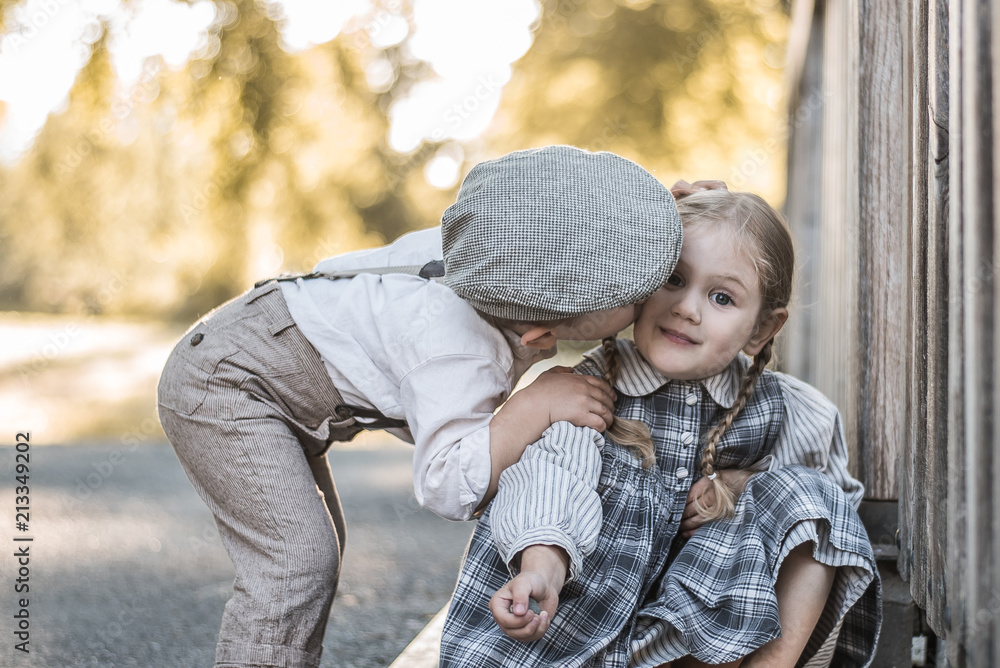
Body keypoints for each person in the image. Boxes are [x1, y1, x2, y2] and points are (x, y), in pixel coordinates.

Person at [156, 145, 684, 668]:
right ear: (542, 337)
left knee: (317, 550)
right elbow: (445, 481)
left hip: (255, 356)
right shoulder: (455, 349)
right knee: (297, 562)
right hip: (227, 384)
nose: (661, 292)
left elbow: (588, 221)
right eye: (643, 291)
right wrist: (534, 406)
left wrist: (669, 215)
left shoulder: (493, 247)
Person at [440, 188, 881, 668]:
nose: (687, 308)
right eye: (672, 279)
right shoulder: (590, 389)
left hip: (680, 642)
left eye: (721, 297)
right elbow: (553, 478)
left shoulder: (785, 409)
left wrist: (742, 484)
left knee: (808, 494)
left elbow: (830, 519)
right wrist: (540, 569)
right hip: (578, 624)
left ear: (761, 330)